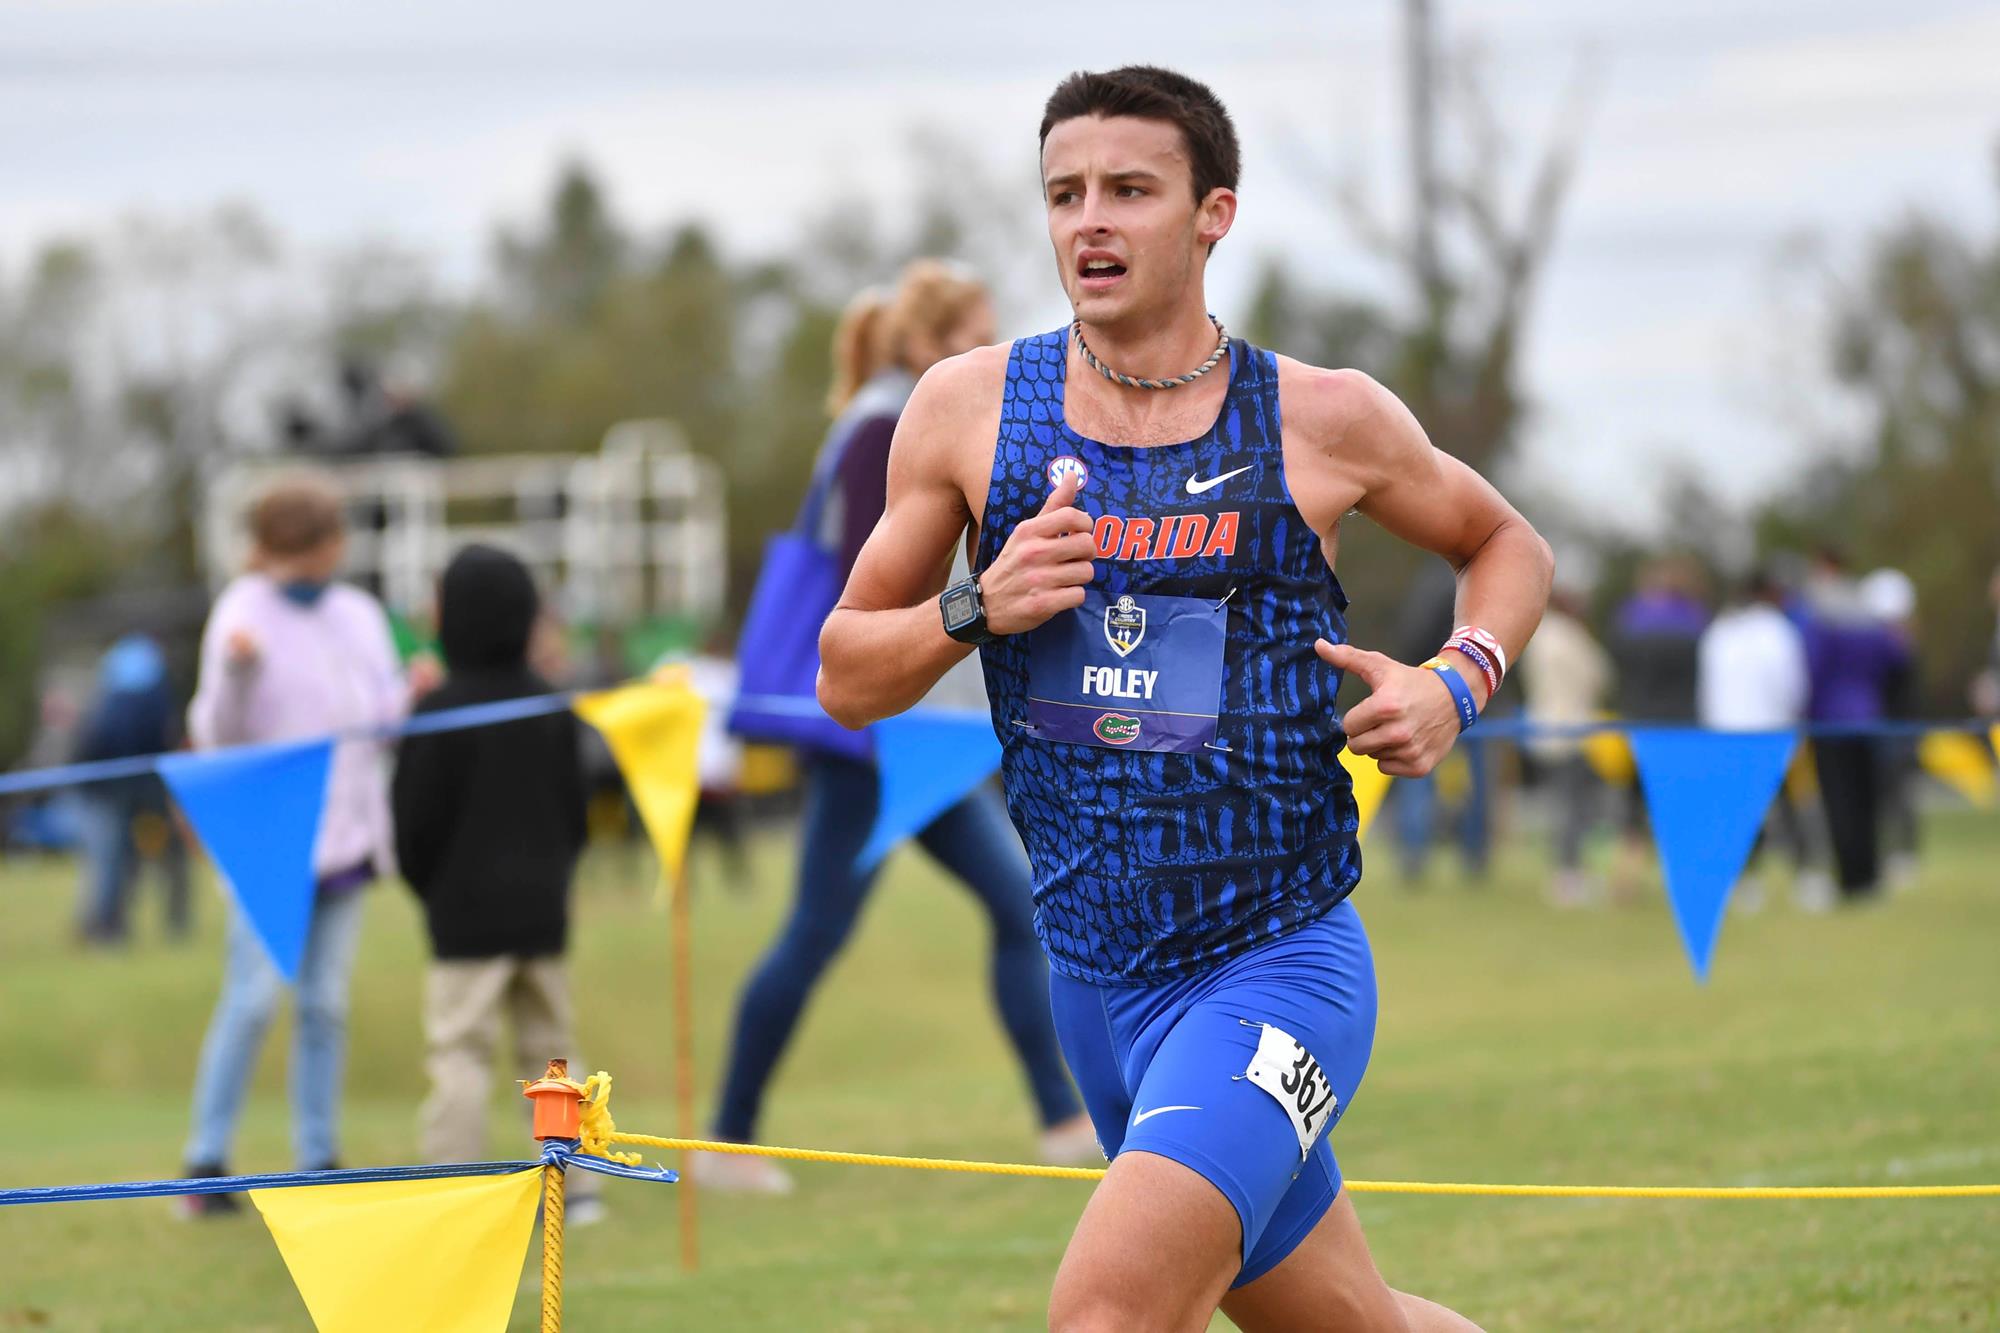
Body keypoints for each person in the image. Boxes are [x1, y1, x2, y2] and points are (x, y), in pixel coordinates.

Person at [814, 66, 1551, 1333]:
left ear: (1212, 213)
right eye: (1063, 194)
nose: (1087, 221)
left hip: (1276, 963)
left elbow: (1505, 545)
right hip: (1093, 983)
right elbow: (841, 676)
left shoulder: (1319, 417)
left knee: (1105, 1314)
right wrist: (976, 604)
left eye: (1128, 191)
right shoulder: (966, 410)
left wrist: (1454, 680)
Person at [697, 263, 1094, 1196]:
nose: (994, 353)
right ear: (925, 344)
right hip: (879, 736)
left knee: (1014, 907)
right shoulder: (887, 425)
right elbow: (876, 594)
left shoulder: (883, 417)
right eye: (974, 332)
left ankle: (1062, 1117)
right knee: (815, 935)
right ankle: (726, 1139)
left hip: (916, 738)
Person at [178, 473, 413, 1215]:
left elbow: (377, 717)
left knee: (326, 1003)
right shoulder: (240, 613)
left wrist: (412, 692)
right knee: (251, 1001)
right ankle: (204, 1160)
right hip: (272, 838)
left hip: (348, 836)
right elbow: (219, 733)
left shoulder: (359, 613)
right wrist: (239, 676)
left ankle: (319, 1153)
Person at [391, 544, 602, 1222]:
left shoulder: (438, 711)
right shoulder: (553, 706)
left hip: (464, 917)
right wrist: (553, 875)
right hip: (541, 909)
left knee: (460, 1052)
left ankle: (454, 1187)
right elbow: (578, 811)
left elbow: (412, 822)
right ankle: (575, 1188)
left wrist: (433, 891)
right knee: (552, 1056)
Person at [1697, 568, 1815, 910]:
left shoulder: (1719, 631)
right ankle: (1805, 877)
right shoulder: (1778, 631)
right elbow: (1793, 686)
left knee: (1740, 811)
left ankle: (1746, 882)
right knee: (1790, 808)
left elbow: (1707, 689)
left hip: (1727, 733)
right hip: (1772, 732)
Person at [1800, 549, 1910, 903]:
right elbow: (1896, 658)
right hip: (1869, 717)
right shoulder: (1869, 619)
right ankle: (1869, 877)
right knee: (1866, 802)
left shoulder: (1821, 619)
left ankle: (1850, 880)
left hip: (1830, 722)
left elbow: (1812, 669)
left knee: (1840, 803)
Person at [71, 634, 191, 943]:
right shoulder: (148, 690)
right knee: (116, 859)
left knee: (114, 860)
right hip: (115, 788)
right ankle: (110, 927)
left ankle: (109, 928)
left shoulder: (114, 692)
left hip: (127, 787)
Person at [1518, 586, 1610, 907]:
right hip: (1570, 730)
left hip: (1542, 727)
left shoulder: (1536, 635)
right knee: (1574, 808)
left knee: (1561, 806)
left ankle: (1566, 872)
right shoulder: (1571, 637)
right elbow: (1599, 676)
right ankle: (1568, 876)